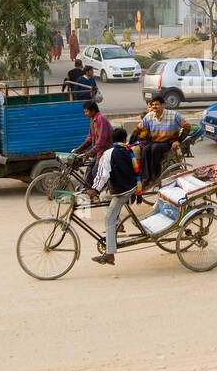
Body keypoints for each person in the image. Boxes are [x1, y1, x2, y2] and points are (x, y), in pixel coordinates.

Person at [89, 127, 142, 267]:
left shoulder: (108, 153)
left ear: (112, 140)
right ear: (125, 139)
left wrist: (94, 189)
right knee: (103, 197)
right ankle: (118, 223)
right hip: (131, 187)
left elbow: (103, 175)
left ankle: (110, 254)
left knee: (108, 219)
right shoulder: (128, 150)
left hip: (122, 191)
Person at [131, 93, 191, 184]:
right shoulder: (149, 116)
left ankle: (156, 175)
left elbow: (187, 126)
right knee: (146, 149)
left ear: (163, 105)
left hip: (169, 142)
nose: (154, 106)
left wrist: (178, 141)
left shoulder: (173, 115)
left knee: (155, 149)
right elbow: (138, 128)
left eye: (157, 104)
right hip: (155, 141)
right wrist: (131, 141)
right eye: (153, 105)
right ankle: (146, 177)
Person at [74, 100, 114, 189]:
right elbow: (90, 139)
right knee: (88, 170)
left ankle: (104, 190)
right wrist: (79, 149)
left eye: (86, 111)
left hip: (105, 151)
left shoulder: (101, 119)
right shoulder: (93, 120)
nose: (85, 114)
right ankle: (87, 191)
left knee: (96, 171)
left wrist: (89, 152)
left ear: (93, 110)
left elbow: (101, 142)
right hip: (98, 151)